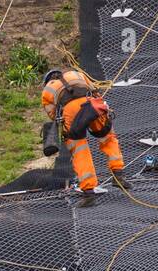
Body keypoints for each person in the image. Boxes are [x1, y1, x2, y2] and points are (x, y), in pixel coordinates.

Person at [41, 67, 128, 206]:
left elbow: (52, 115)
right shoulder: (77, 74)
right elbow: (95, 92)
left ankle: (88, 192)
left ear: (47, 80)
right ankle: (119, 175)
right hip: (90, 104)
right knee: (107, 136)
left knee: (79, 149)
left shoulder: (47, 90)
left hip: (69, 111)